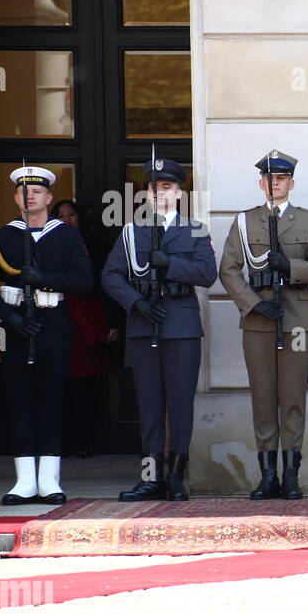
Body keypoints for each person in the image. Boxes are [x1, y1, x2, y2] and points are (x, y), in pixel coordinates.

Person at [0, 165, 92, 504]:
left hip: (52, 323)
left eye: (37, 192)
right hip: (16, 324)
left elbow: (83, 281)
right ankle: (24, 480)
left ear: (49, 197)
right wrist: (8, 316)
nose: (30, 196)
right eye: (24, 192)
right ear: (15, 197)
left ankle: (49, 478)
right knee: (19, 399)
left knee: (52, 398)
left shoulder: (66, 235)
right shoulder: (2, 236)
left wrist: (44, 278)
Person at [219, 150, 308, 499]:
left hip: (297, 319)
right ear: (261, 184)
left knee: (293, 396)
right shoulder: (244, 222)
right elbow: (228, 270)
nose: (275, 184)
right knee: (264, 397)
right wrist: (254, 304)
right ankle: (267, 474)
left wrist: (290, 267)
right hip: (259, 320)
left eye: (281, 179)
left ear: (291, 183)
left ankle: (291, 474)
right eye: (269, 180)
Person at [102, 158, 217, 501]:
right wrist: (136, 303)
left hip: (180, 325)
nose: (160, 192)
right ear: (145, 194)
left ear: (179, 192)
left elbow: (207, 274)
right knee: (149, 405)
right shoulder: (131, 231)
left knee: (180, 404)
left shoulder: (195, 229)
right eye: (154, 187)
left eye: (167, 187)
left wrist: (172, 264)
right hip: (143, 323)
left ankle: (177, 477)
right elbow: (110, 276)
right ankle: (151, 478)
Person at [55, 199, 115, 458]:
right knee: (57, 385)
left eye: (71, 215)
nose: (67, 220)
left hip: (87, 323)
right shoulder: (47, 245)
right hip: (57, 321)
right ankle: (60, 442)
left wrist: (113, 321)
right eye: (61, 215)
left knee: (85, 385)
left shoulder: (95, 247)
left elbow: (107, 285)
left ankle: (84, 440)